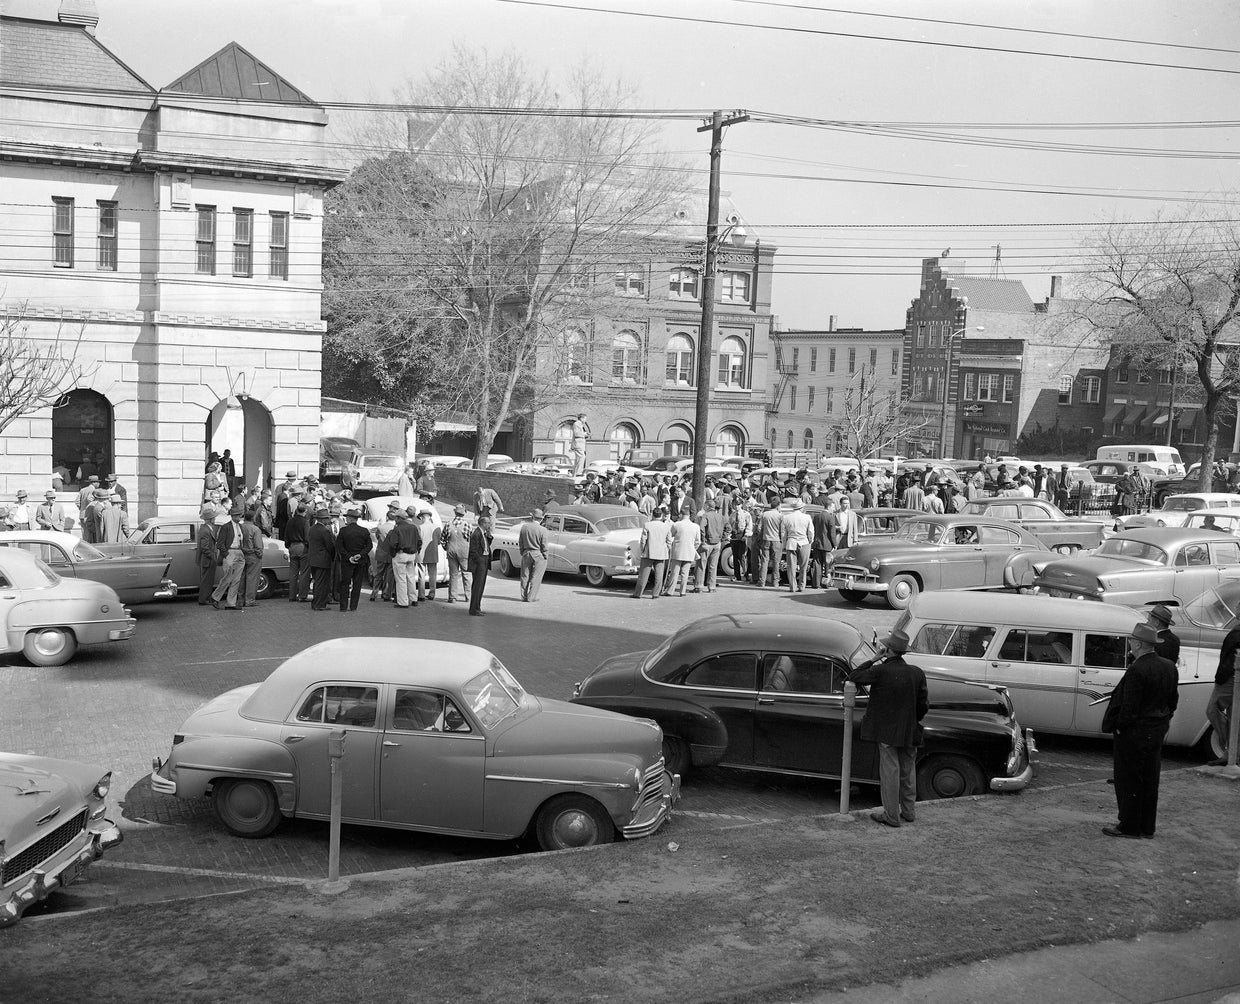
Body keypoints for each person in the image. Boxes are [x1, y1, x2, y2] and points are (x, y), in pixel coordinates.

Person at [1101, 622, 1178, 838]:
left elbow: (1129, 707)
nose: (1130, 644)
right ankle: (1147, 826)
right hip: (1157, 729)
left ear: (1138, 644)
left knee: (1129, 779)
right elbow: (1172, 702)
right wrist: (1163, 721)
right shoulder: (1169, 666)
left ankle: (1129, 826)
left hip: (1135, 732)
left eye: (1132, 641)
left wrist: (1119, 727)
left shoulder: (1137, 669)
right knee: (1150, 779)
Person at [851, 628, 929, 828]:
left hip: (886, 732)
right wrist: (913, 720)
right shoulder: (917, 673)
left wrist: (874, 659)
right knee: (908, 772)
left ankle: (891, 815)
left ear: (888, 650)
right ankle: (909, 812)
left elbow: (854, 676)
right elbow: (923, 705)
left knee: (890, 774)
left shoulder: (880, 671)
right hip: (910, 730)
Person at [1207, 623, 1239, 766]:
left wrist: (1220, 677)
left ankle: (1231, 748)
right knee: (1234, 715)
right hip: (1232, 676)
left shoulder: (1236, 633)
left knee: (1212, 709)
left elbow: (1230, 658)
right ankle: (1232, 752)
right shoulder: (1236, 631)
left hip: (1229, 677)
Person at [211, 503, 247, 611]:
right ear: (233, 516)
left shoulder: (240, 526)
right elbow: (220, 543)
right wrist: (226, 554)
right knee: (228, 578)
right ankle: (215, 597)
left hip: (239, 552)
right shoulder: (225, 527)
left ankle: (231, 603)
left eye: (240, 515)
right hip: (230, 552)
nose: (239, 517)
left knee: (236, 579)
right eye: (237, 515)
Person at [336, 507, 373, 612]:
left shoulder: (343, 531)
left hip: (347, 561)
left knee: (345, 583)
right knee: (357, 584)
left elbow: (339, 546)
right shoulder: (364, 531)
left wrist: (348, 557)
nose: (346, 520)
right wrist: (360, 554)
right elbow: (369, 546)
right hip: (360, 561)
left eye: (347, 518)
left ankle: (343, 606)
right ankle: (353, 606)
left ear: (350, 518)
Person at [633, 506, 672, 599]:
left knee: (643, 575)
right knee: (659, 575)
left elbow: (643, 540)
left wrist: (642, 550)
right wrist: (666, 549)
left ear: (652, 515)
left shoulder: (647, 525)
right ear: (661, 515)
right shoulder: (666, 527)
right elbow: (669, 541)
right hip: (661, 553)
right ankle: (656, 594)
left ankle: (638, 593)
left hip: (648, 552)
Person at [387, 508, 422, 609]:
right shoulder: (413, 527)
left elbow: (393, 544)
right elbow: (419, 541)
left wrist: (393, 554)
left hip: (401, 554)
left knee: (401, 579)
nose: (395, 519)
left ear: (399, 518)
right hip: (412, 554)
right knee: (411, 577)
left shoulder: (397, 529)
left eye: (396, 518)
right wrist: (416, 550)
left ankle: (403, 602)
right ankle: (413, 599)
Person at [665, 507, 702, 597]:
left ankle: (670, 591)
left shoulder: (677, 525)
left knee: (674, 572)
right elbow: (698, 541)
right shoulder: (696, 526)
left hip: (677, 552)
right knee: (685, 573)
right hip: (689, 552)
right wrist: (693, 548)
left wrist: (670, 546)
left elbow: (670, 535)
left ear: (681, 515)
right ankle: (682, 591)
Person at [441, 503, 473, 603]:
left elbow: (442, 539)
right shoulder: (467, 524)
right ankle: (468, 596)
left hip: (451, 551)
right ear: (464, 514)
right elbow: (471, 539)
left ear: (455, 512)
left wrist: (447, 548)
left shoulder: (448, 524)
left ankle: (452, 597)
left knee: (453, 574)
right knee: (466, 574)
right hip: (464, 552)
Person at [780, 498, 814, 593]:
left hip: (791, 542)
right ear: (801, 508)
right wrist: (810, 541)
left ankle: (792, 586)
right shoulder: (807, 517)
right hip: (804, 541)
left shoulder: (786, 517)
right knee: (803, 566)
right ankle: (802, 585)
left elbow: (783, 533)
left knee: (791, 566)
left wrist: (784, 544)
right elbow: (811, 531)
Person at [515, 509, 549, 602]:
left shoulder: (524, 527)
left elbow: (520, 541)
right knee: (536, 577)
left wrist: (522, 552)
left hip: (527, 552)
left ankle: (524, 596)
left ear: (532, 517)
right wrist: (545, 556)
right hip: (538, 554)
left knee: (525, 576)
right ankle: (531, 597)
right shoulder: (543, 530)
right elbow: (544, 545)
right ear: (541, 519)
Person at [307, 507, 337, 611]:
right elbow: (330, 546)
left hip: (313, 559)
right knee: (322, 583)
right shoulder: (324, 531)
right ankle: (319, 604)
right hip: (323, 560)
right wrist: (333, 556)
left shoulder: (312, 529)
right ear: (323, 519)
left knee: (317, 582)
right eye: (327, 518)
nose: (328, 520)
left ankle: (316, 603)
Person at [284, 497, 311, 602]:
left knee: (293, 573)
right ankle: (302, 595)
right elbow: (307, 537)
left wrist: (288, 545)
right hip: (302, 547)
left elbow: (286, 535)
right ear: (305, 511)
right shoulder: (305, 522)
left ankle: (292, 595)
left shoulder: (290, 521)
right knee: (304, 573)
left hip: (292, 546)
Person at [696, 498, 725, 593]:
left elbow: (701, 528)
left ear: (707, 506)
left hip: (707, 543)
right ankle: (712, 587)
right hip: (717, 543)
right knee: (713, 566)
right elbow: (727, 527)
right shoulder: (721, 516)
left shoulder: (706, 515)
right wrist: (722, 538)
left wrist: (703, 540)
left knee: (701, 565)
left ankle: (699, 586)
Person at [467, 515, 493, 616]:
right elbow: (473, 551)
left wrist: (489, 536)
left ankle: (477, 607)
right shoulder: (476, 534)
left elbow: (485, 545)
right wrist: (480, 561)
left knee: (481, 586)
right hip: (480, 562)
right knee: (477, 587)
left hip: (484, 560)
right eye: (488, 523)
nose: (490, 525)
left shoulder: (483, 533)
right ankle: (474, 609)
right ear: (483, 523)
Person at [756, 498, 783, 588]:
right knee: (776, 562)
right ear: (778, 506)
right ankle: (775, 582)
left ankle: (762, 581)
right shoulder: (780, 516)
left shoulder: (764, 514)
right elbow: (782, 530)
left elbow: (759, 528)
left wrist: (761, 536)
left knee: (764, 561)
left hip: (766, 539)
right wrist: (781, 540)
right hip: (776, 540)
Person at [195, 504, 218, 605]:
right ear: (210, 519)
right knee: (206, 580)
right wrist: (212, 557)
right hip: (207, 559)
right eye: (213, 518)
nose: (214, 519)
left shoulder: (208, 528)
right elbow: (205, 547)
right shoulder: (205, 530)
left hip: (208, 559)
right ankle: (203, 599)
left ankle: (206, 598)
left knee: (209, 580)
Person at [415, 509, 439, 601]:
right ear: (429, 517)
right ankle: (432, 593)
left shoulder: (419, 527)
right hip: (433, 553)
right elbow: (438, 541)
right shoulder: (436, 527)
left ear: (422, 517)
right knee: (432, 575)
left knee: (421, 575)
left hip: (421, 554)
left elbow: (418, 541)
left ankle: (421, 595)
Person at [728, 501, 753, 584]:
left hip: (742, 535)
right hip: (734, 536)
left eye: (738, 504)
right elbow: (729, 525)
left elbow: (749, 525)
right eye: (735, 504)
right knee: (735, 556)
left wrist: (746, 535)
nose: (736, 506)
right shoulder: (732, 514)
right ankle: (737, 575)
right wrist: (729, 535)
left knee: (742, 556)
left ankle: (746, 575)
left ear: (741, 505)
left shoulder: (746, 514)